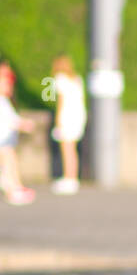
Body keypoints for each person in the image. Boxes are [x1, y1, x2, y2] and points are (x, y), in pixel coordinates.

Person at [0, 62, 36, 206]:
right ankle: (13, 189)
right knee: (8, 164)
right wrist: (22, 124)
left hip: (6, 140)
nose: (9, 86)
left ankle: (16, 186)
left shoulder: (4, 101)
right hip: (3, 140)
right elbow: (9, 120)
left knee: (10, 163)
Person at [50, 56, 86, 194]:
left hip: (66, 116)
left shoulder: (60, 79)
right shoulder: (77, 79)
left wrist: (58, 119)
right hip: (78, 116)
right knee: (72, 150)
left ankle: (68, 179)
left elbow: (61, 101)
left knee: (67, 149)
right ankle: (72, 178)